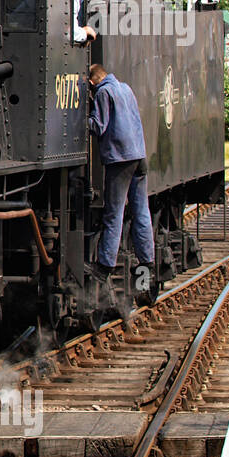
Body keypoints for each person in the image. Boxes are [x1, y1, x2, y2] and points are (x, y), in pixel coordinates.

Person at [87, 64, 155, 298]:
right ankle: (148, 261)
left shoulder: (103, 93)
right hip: (139, 155)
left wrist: (81, 118)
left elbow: (99, 126)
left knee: (114, 214)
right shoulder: (125, 88)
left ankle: (104, 266)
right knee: (141, 211)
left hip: (120, 159)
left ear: (92, 83)